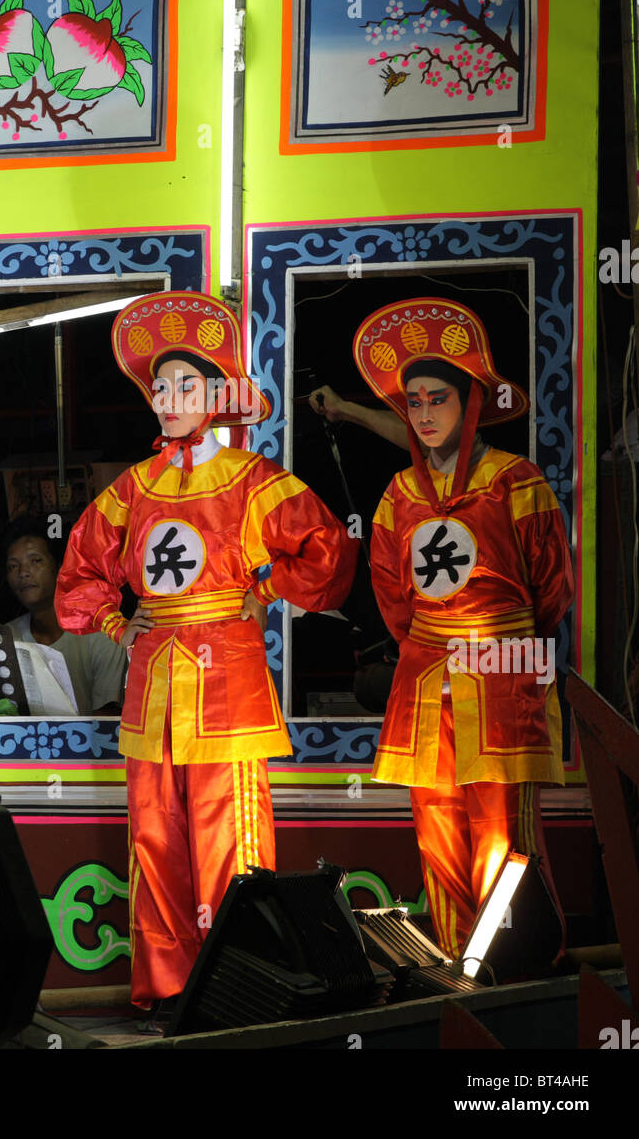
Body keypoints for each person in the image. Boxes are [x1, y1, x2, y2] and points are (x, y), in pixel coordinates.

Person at [54, 291, 358, 1012]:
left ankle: (241, 991)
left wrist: (269, 587)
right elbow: (78, 575)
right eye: (159, 387)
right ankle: (167, 994)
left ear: (216, 394)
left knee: (230, 846)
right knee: (155, 846)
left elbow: (328, 550)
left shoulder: (254, 481)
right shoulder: (133, 488)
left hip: (228, 685)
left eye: (184, 385)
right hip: (153, 685)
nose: (167, 399)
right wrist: (114, 624)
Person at [352, 297, 573, 961]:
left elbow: (552, 588)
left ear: (471, 401)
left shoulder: (516, 481)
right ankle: (455, 967)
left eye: (438, 398)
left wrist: (499, 641)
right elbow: (393, 598)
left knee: (503, 832)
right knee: (436, 828)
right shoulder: (398, 494)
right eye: (413, 401)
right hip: (425, 679)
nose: (423, 413)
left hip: (503, 674)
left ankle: (507, 965)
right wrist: (430, 645)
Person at [3, 516, 126, 716]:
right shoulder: (7, 638)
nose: (23, 572)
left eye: (35, 561)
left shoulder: (101, 631)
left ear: (60, 567)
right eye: (13, 566)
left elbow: (106, 721)